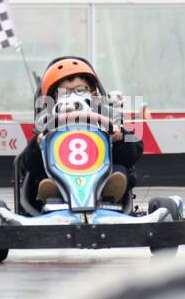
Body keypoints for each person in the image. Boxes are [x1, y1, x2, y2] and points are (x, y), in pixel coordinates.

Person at [20, 55, 142, 208]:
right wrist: (38, 145)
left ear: (93, 92)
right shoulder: (47, 120)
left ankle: (107, 191)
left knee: (119, 170)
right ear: (54, 97)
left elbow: (135, 150)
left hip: (103, 173)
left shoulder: (108, 115)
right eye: (65, 92)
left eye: (80, 90)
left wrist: (119, 138)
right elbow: (28, 163)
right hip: (57, 174)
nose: (73, 96)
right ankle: (55, 192)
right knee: (43, 175)